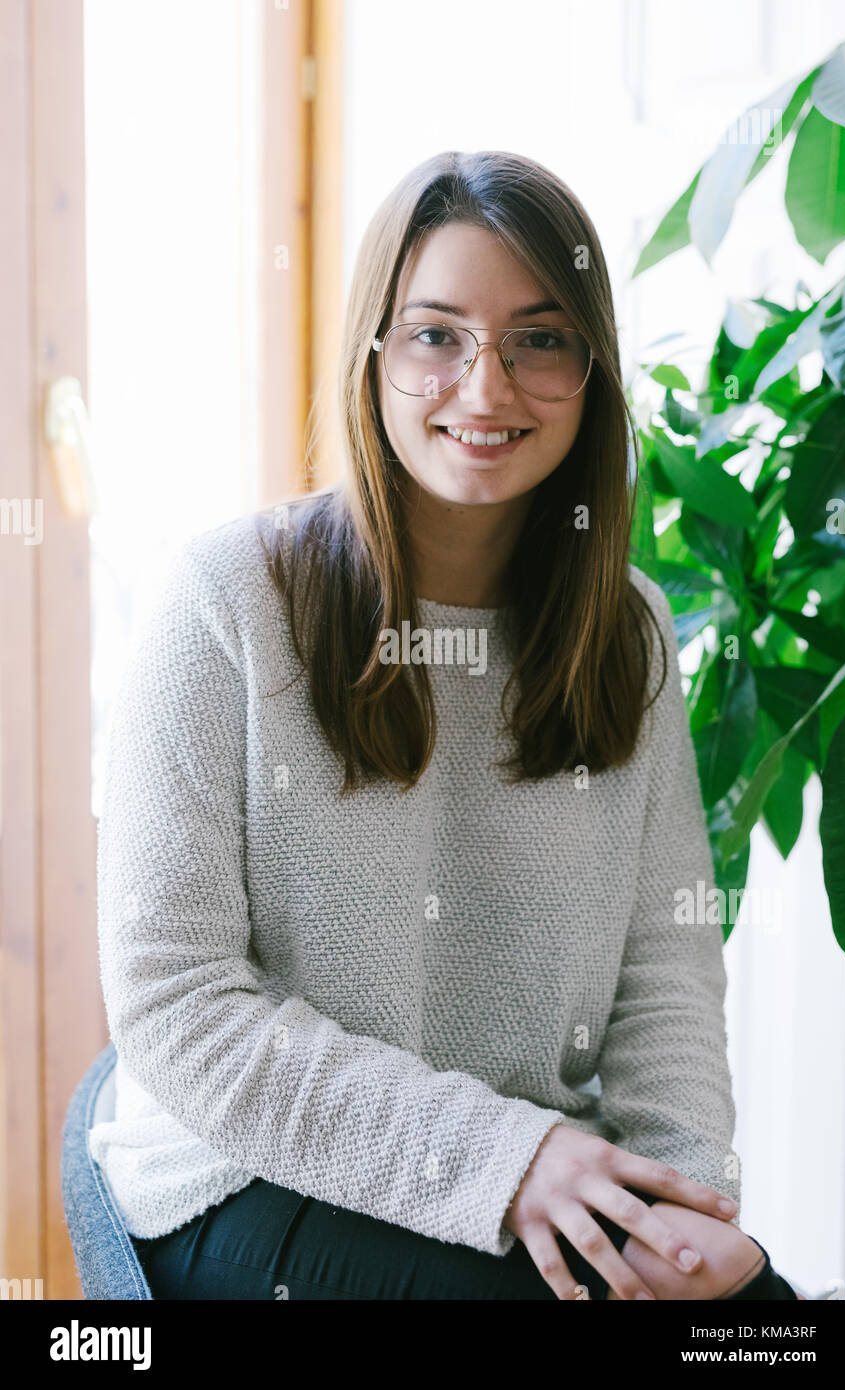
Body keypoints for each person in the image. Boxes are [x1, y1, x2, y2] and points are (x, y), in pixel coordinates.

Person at [90, 149, 799, 1301]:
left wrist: (676, 1203)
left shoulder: (627, 633)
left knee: (752, 1318)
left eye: (539, 338)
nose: (485, 387)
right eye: (434, 336)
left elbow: (663, 971)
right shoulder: (226, 601)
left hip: (542, 1173)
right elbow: (176, 1002)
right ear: (372, 352)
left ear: (589, 370)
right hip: (249, 1179)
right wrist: (505, 1157)